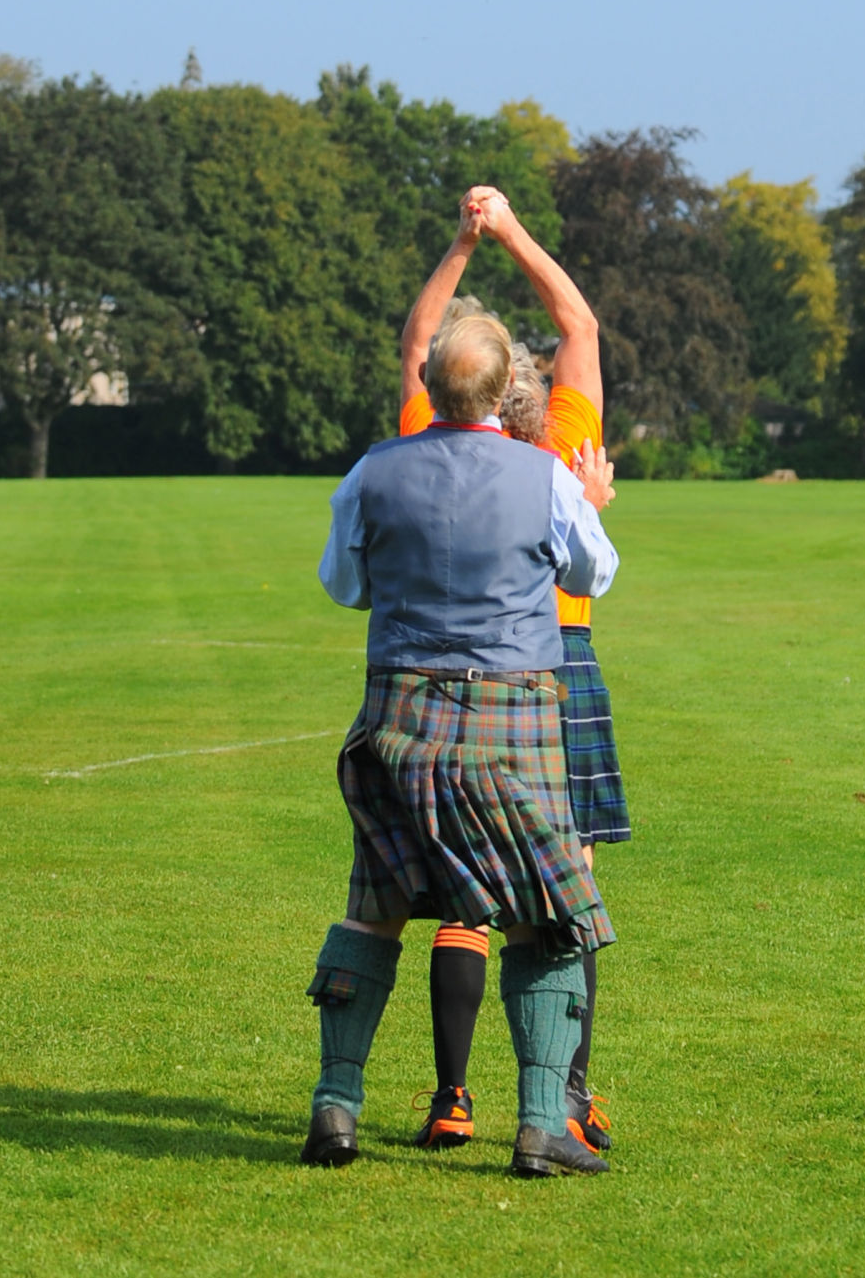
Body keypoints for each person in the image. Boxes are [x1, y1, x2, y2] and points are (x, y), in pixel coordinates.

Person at [303, 302, 619, 1177]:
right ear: (507, 384)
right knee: (543, 919)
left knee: (374, 908)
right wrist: (587, 505)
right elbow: (593, 572)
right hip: (512, 715)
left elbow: (344, 585)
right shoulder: (544, 474)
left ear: (430, 382)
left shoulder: (371, 471)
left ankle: (335, 1105)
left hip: (397, 712)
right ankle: (542, 1124)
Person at [400, 189, 629, 1156]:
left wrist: (464, 241)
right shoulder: (564, 446)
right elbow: (580, 324)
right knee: (565, 885)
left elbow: (420, 343)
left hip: (449, 668)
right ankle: (563, 1099)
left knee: (464, 887)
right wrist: (509, 229)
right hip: (556, 666)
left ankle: (453, 1095)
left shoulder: (435, 436)